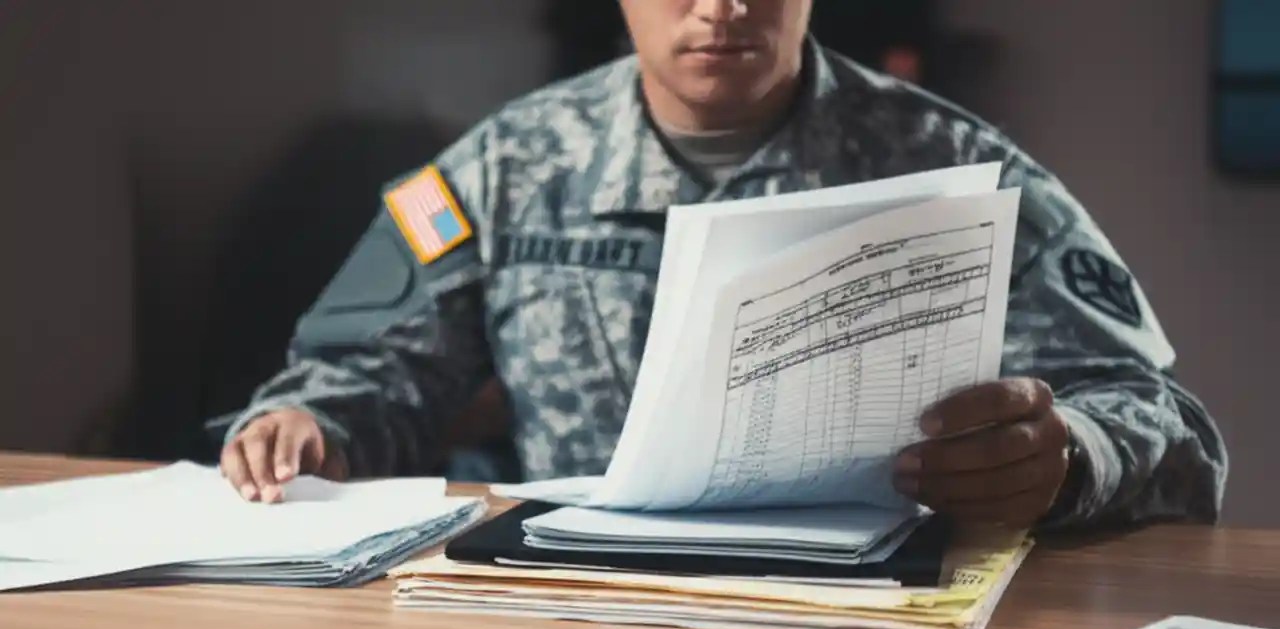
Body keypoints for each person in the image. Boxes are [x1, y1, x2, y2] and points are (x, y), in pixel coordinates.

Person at [213, 0, 1226, 530]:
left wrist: (1066, 458)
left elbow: (1168, 426)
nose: (723, 3)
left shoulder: (959, 170)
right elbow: (360, 374)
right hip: (574, 619)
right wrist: (313, 424)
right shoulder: (501, 168)